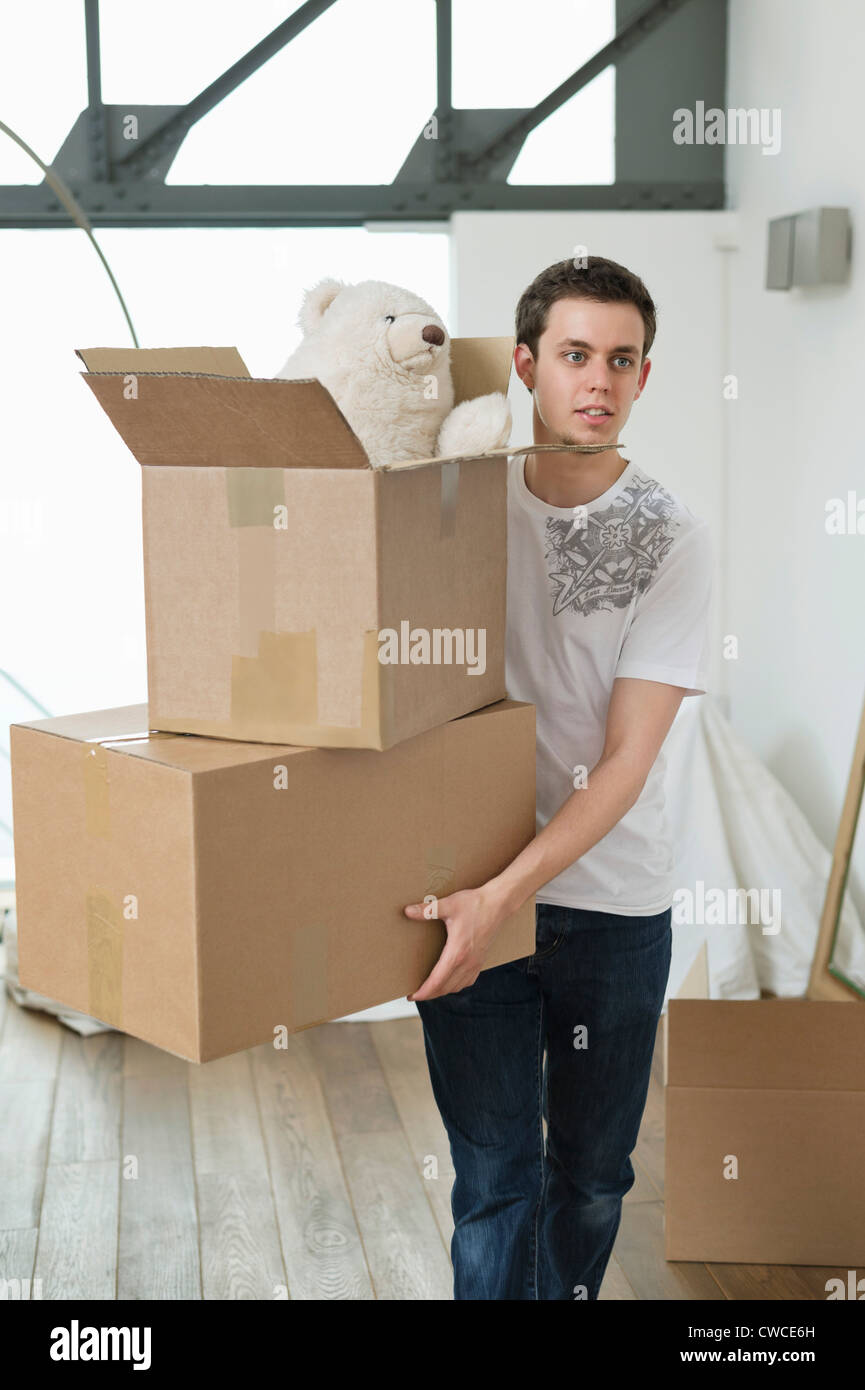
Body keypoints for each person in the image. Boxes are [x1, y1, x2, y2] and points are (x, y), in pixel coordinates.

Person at [403, 255, 714, 1300]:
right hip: (467, 887)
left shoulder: (667, 535)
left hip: (608, 906)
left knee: (588, 1176)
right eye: (575, 355)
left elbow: (626, 759)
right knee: (494, 1178)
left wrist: (508, 894)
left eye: (620, 360)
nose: (598, 380)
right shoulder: (446, 505)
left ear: (643, 377)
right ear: (526, 365)